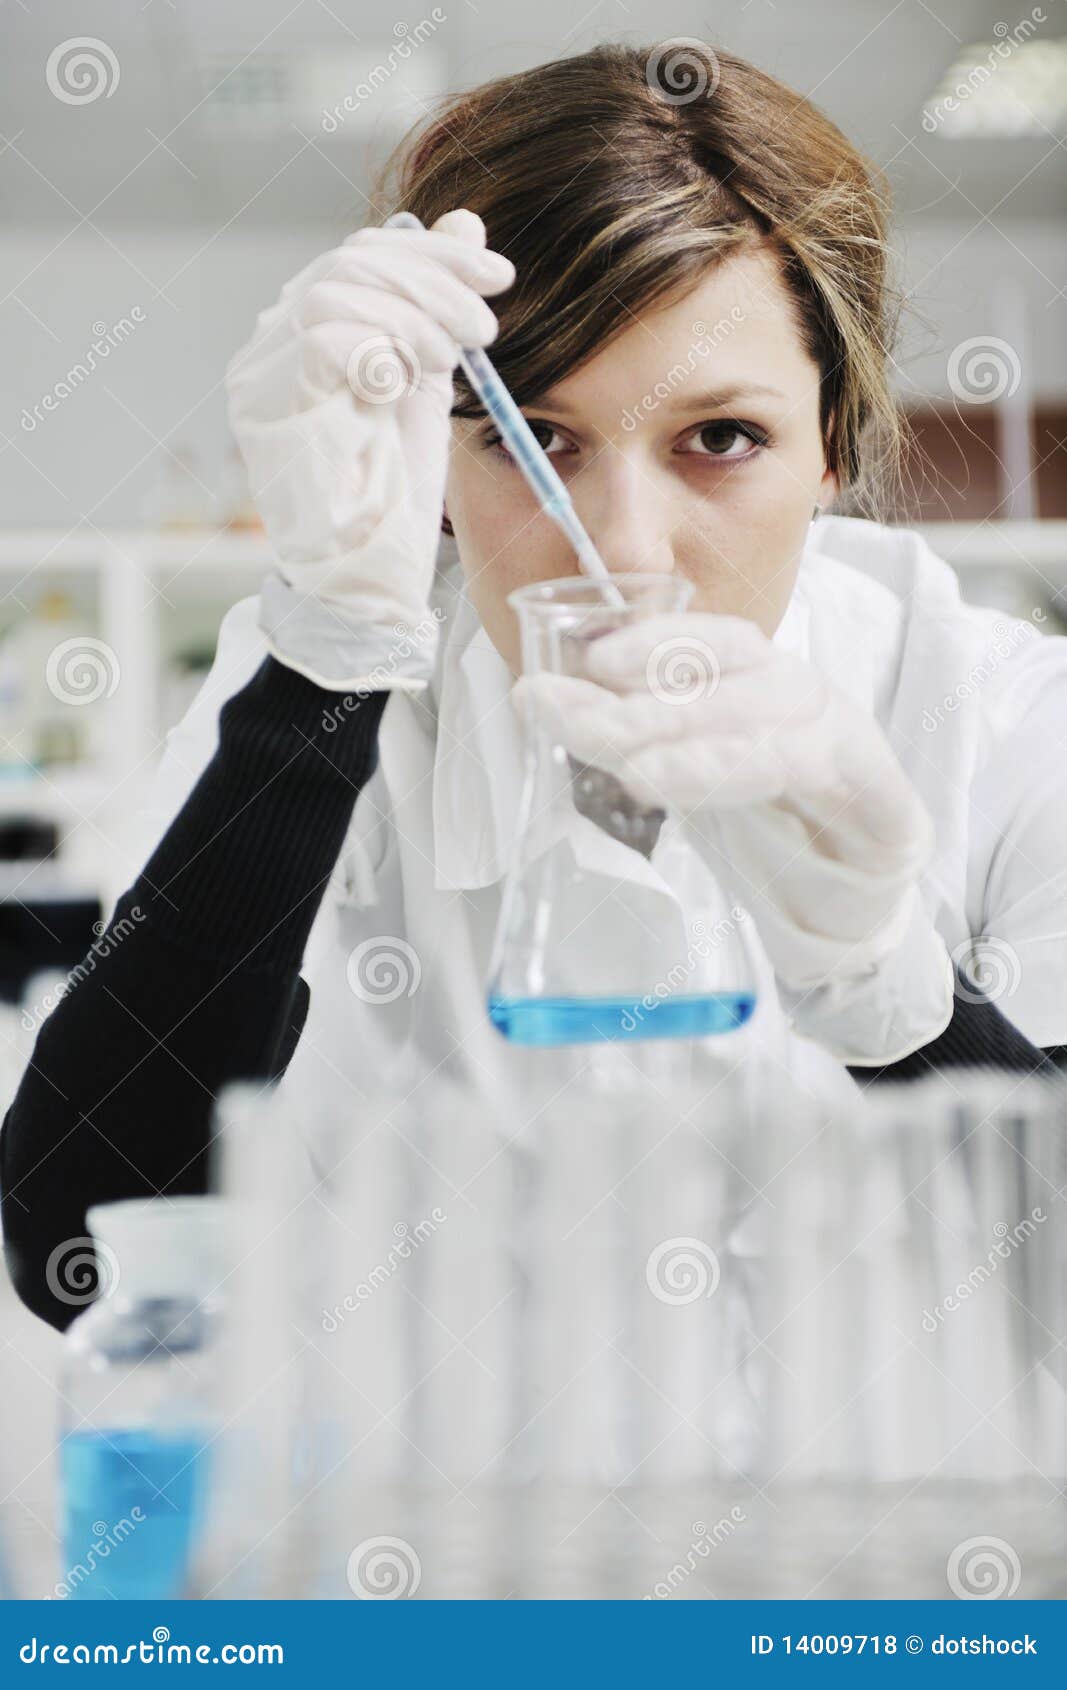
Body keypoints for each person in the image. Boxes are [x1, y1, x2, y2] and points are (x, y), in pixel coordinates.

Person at [3, 41, 1065, 1332]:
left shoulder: (1005, 714)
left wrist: (896, 991)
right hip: (409, 1537)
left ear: (834, 444)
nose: (622, 551)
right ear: (440, 456)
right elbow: (83, 1254)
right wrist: (324, 668)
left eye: (720, 439)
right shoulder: (318, 687)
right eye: (534, 439)